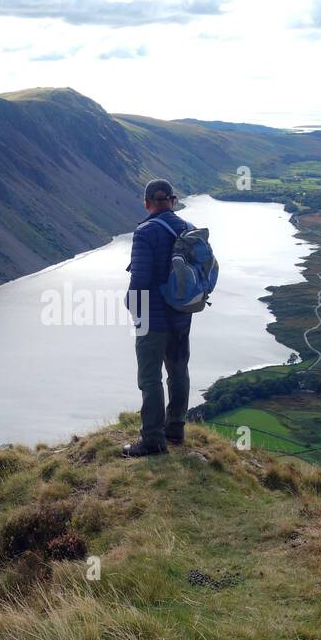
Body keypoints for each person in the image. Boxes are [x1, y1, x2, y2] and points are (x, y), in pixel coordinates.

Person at [122, 179, 193, 457]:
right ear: (173, 201)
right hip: (182, 315)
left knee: (150, 377)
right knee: (178, 370)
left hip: (152, 317)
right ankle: (175, 428)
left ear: (147, 203)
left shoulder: (145, 232)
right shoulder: (187, 228)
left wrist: (131, 306)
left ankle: (152, 440)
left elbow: (140, 279)